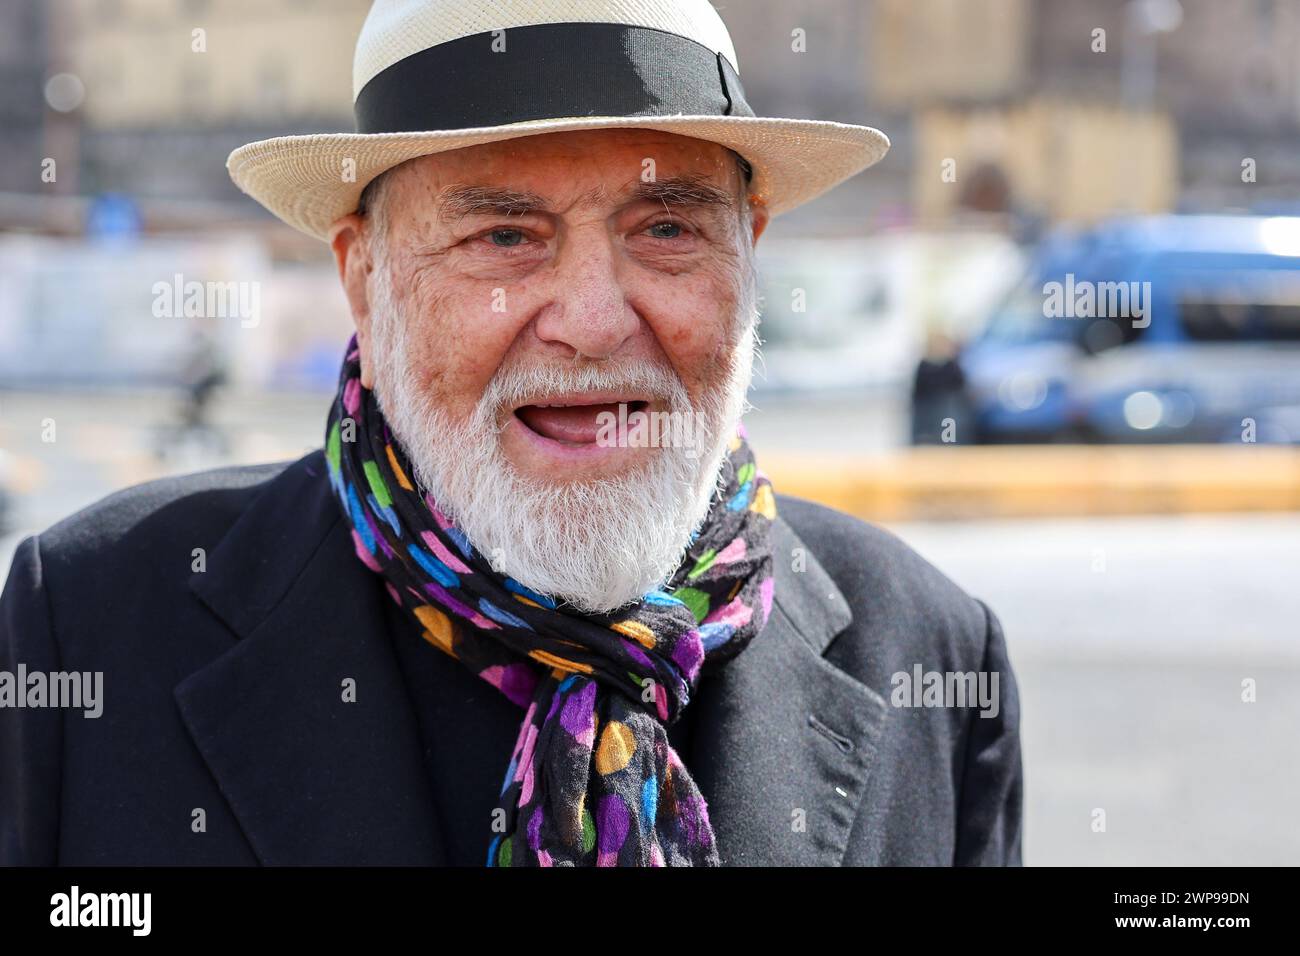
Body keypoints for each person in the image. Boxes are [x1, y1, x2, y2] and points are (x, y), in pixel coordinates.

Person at [0, 0, 1021, 867]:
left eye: (665, 228)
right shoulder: (90, 627)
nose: (593, 319)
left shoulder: (927, 656)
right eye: (503, 237)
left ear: (746, 253)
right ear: (364, 277)